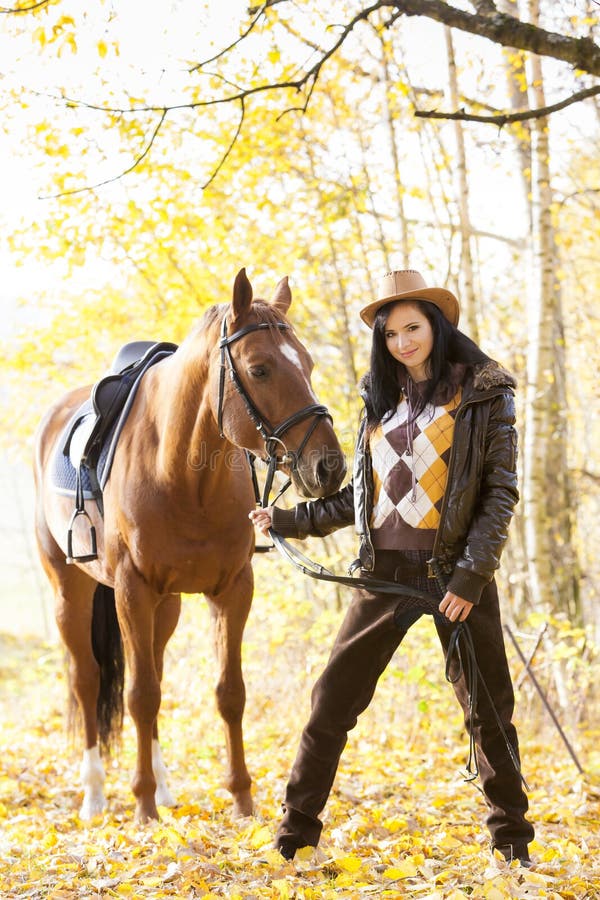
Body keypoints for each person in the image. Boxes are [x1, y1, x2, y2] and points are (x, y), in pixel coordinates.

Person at [249, 269, 535, 867]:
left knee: (488, 710)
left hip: (456, 574)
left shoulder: (484, 391)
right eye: (391, 333)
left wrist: (471, 579)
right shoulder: (378, 398)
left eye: (413, 327)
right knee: (331, 701)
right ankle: (296, 832)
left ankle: (511, 840)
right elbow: (360, 500)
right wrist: (287, 520)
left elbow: (499, 495)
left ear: (436, 324)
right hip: (383, 573)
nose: (403, 342)